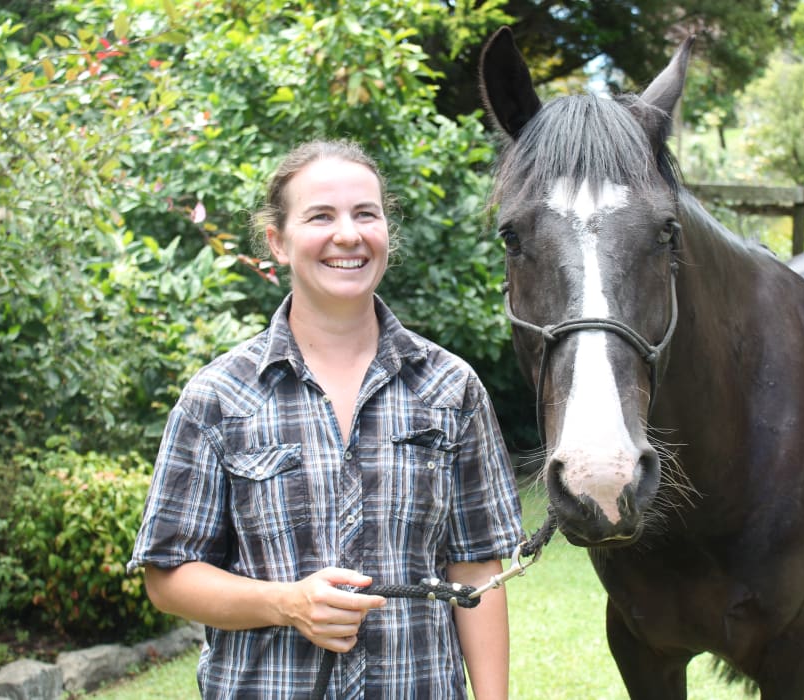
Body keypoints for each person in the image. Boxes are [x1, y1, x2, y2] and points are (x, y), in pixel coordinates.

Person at [127, 139, 523, 699]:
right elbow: (167, 577)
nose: (348, 235)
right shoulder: (217, 397)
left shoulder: (450, 387)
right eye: (320, 216)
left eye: (367, 214)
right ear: (277, 241)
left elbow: (477, 571)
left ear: (387, 231)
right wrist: (286, 603)